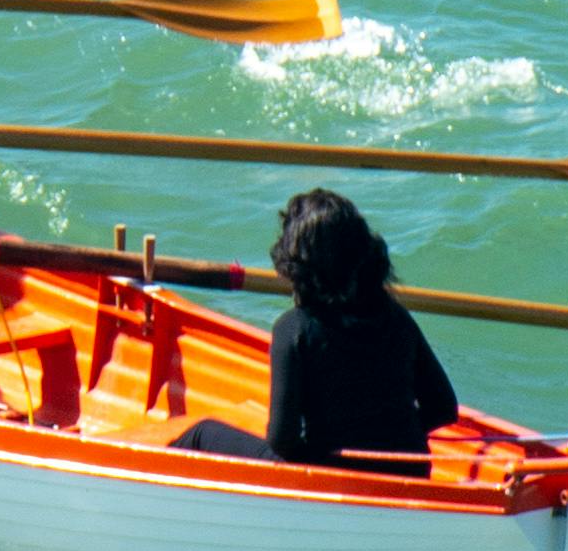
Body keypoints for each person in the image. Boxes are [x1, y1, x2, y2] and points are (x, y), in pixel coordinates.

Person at [196, 187, 468, 466]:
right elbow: (443, 408)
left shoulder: (294, 329)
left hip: (337, 477)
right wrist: (388, 441)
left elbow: (283, 441)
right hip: (411, 471)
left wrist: (326, 451)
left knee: (202, 434)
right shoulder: (395, 317)